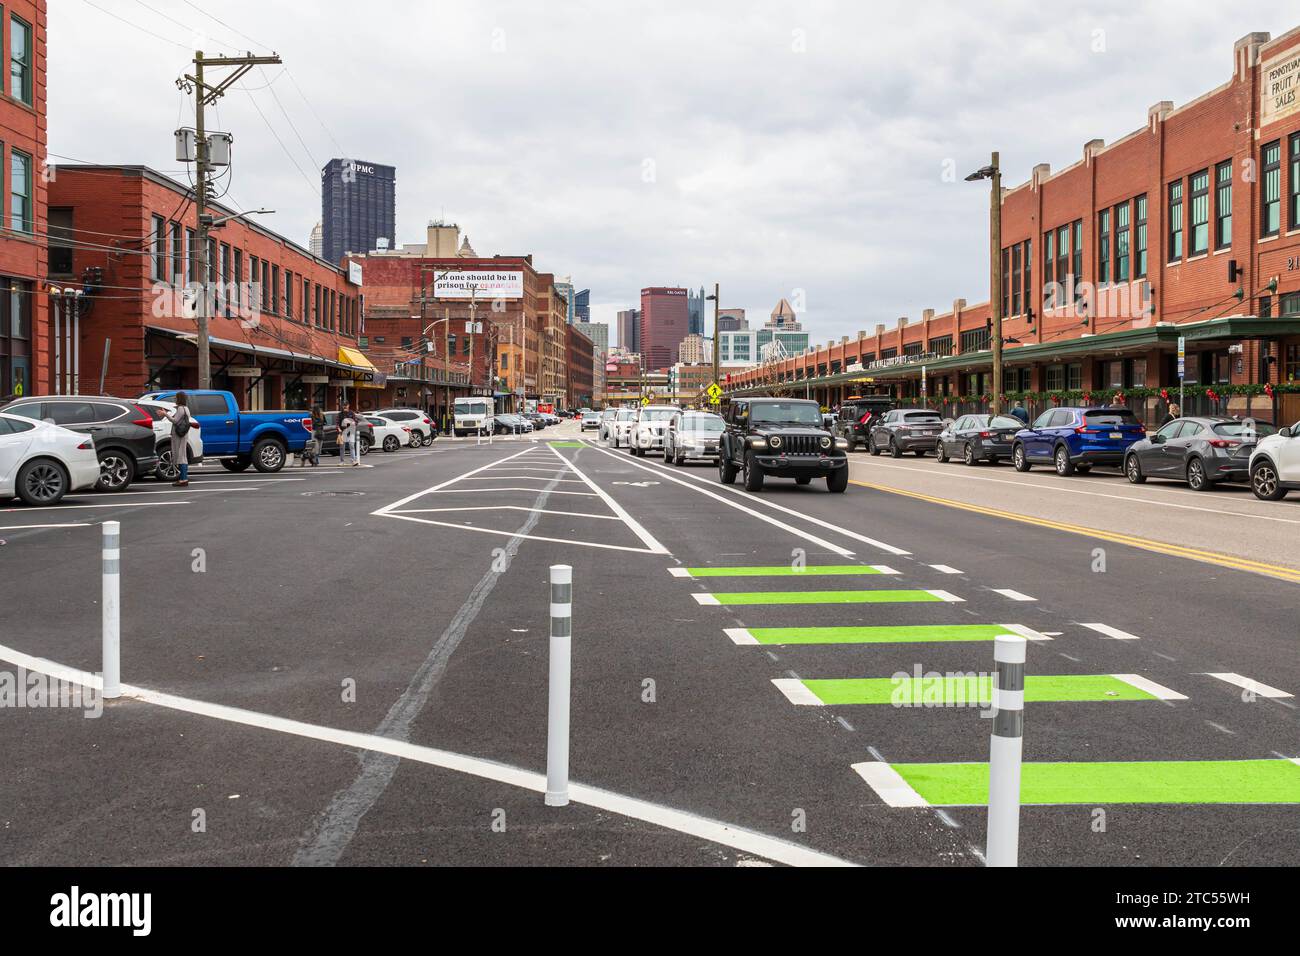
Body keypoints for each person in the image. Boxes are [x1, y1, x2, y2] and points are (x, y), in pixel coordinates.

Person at [165, 392, 193, 487]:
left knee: (181, 456)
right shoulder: (186, 408)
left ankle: (183, 479)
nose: (174, 399)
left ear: (179, 398)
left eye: (176, 397)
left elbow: (175, 421)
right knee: (182, 456)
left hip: (179, 435)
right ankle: (183, 478)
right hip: (184, 434)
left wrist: (165, 414)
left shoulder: (181, 409)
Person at [338, 401, 361, 467]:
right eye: (344, 405)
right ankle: (342, 461)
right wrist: (338, 428)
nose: (345, 406)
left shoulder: (351, 413)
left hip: (351, 432)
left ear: (348, 405)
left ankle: (353, 461)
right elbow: (337, 423)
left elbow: (356, 421)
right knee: (342, 447)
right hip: (343, 432)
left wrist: (354, 423)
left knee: (351, 446)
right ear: (342, 406)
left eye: (346, 405)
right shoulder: (340, 414)